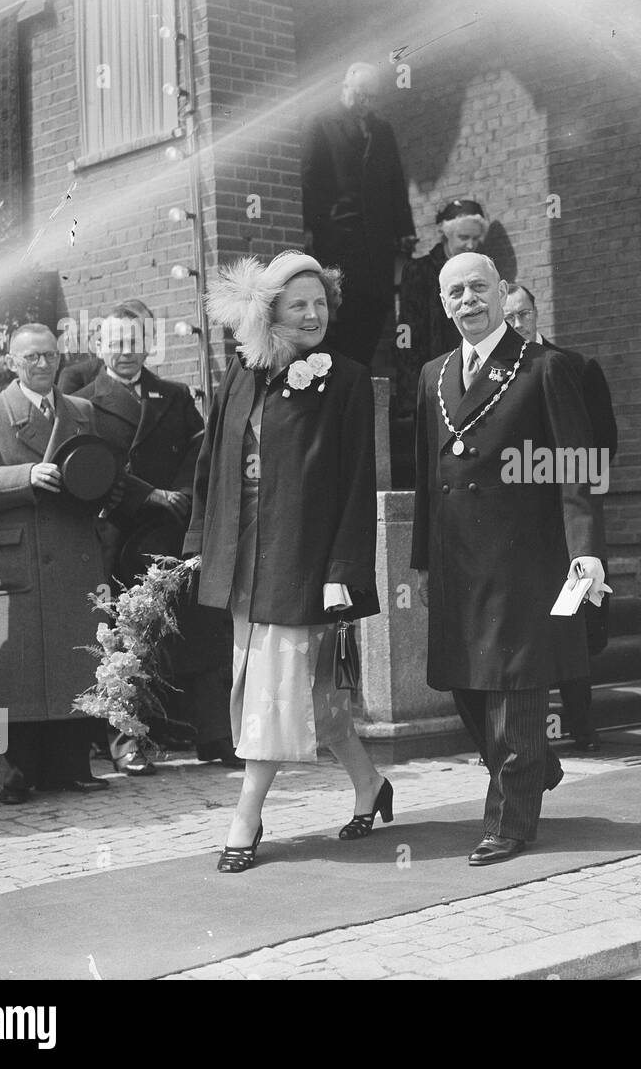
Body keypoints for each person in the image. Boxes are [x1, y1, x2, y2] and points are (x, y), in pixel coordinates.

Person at [189, 251, 388, 873]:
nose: (312, 314)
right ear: (268, 311)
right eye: (298, 304)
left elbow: (358, 484)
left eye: (321, 304)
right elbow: (209, 469)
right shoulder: (240, 376)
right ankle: (370, 786)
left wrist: (344, 572)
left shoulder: (347, 379)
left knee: (273, 691)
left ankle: (245, 815)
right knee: (316, 695)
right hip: (241, 561)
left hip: (306, 563)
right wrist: (200, 544)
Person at [411, 252, 606, 866]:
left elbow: (577, 470)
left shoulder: (545, 367)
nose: (467, 301)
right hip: (455, 561)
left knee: (515, 690)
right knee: (466, 688)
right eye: (453, 293)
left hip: (524, 560)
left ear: (501, 292)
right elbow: (425, 475)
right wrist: (421, 562)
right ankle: (537, 766)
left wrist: (586, 554)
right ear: (442, 305)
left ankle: (509, 821)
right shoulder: (432, 375)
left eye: (477, 288)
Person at [0, 323, 114, 805]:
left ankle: (70, 765)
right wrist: (25, 474)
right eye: (31, 358)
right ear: (11, 362)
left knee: (72, 660)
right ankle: (16, 774)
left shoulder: (80, 410)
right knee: (17, 671)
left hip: (72, 549)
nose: (43, 365)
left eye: (49, 356)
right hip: (17, 553)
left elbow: (95, 472)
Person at [74, 300, 232, 774]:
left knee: (202, 629)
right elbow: (92, 466)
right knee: (123, 641)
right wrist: (150, 495)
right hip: (117, 534)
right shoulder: (82, 402)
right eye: (117, 343)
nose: (127, 352)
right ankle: (127, 742)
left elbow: (201, 453)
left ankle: (217, 736)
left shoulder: (175, 395)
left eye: (136, 342)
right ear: (99, 346)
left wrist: (180, 495)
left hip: (175, 533)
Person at [504, 282, 618, 751]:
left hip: (567, 512)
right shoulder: (490, 373)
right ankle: (524, 734)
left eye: (522, 315)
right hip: (516, 520)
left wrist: (552, 477)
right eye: (507, 317)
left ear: (536, 313)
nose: (516, 325)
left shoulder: (572, 365)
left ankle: (581, 723)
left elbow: (601, 442)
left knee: (572, 620)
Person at [301, 62, 417, 367]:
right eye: (360, 94)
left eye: (372, 97)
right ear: (345, 88)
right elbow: (310, 179)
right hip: (339, 239)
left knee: (375, 309)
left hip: (377, 244)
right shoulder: (322, 123)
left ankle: (358, 372)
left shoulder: (382, 130)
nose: (365, 103)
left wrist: (405, 229)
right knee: (343, 311)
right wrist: (312, 229)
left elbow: (395, 181)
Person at [392, 198, 489, 488]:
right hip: (435, 371)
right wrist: (411, 392)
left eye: (475, 238)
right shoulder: (418, 271)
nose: (470, 245)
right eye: (463, 238)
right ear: (445, 234)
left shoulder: (484, 269)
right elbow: (406, 329)